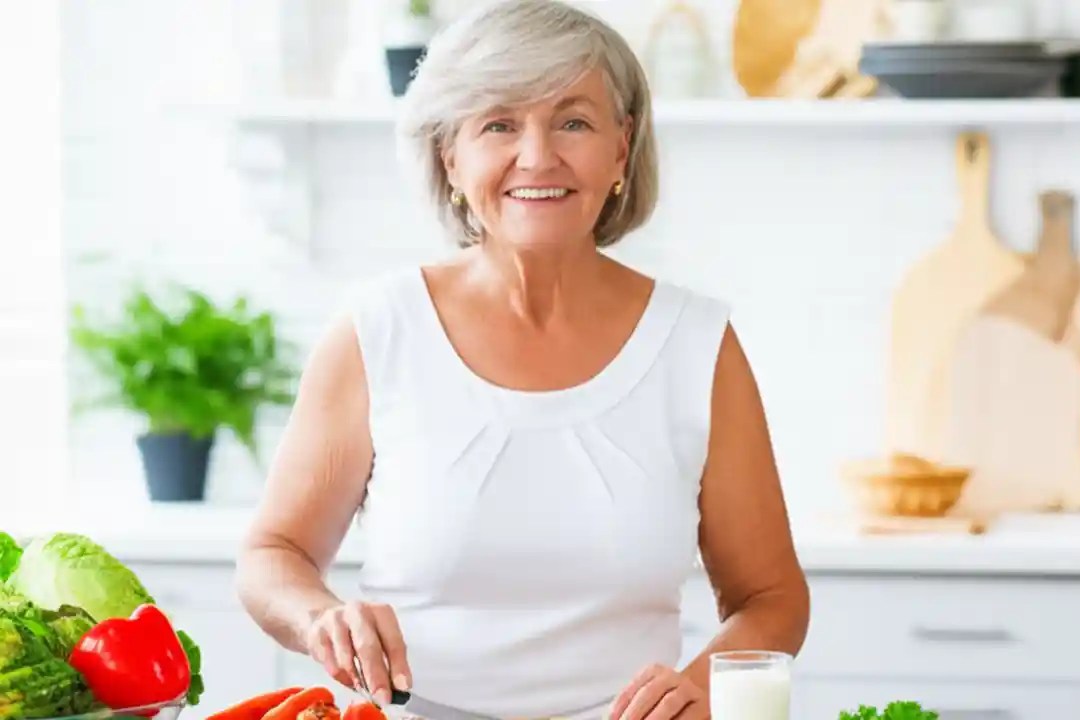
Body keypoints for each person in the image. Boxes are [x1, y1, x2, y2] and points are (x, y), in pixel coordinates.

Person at [234, 1, 809, 718]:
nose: (538, 157)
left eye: (574, 121)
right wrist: (320, 616)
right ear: (450, 156)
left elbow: (772, 599)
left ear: (622, 147)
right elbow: (273, 554)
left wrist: (695, 685)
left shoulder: (696, 343)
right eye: (499, 124)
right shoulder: (378, 330)